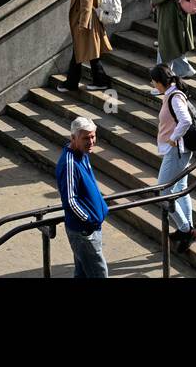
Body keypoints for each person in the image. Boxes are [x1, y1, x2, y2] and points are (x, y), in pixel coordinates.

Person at [150, 64, 196, 252]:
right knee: (180, 187)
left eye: (153, 81)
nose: (153, 84)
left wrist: (173, 138)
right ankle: (188, 228)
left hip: (177, 151)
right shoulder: (172, 93)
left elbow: (186, 120)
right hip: (180, 150)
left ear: (159, 82)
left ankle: (185, 229)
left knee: (163, 191)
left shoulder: (174, 96)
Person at [56, 116, 109, 277]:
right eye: (86, 138)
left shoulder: (83, 154)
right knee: (99, 273)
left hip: (89, 227)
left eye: (93, 136)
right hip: (85, 231)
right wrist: (89, 220)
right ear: (73, 138)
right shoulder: (70, 163)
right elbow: (71, 201)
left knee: (83, 273)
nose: (91, 141)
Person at [57, 0, 114, 93]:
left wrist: (82, 25)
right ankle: (98, 81)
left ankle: (73, 83)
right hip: (89, 23)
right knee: (89, 54)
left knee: (80, 53)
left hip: (87, 24)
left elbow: (86, 6)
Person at [150, 0, 196, 78]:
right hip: (178, 12)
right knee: (173, 43)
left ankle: (163, 78)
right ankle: (185, 70)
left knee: (166, 46)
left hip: (170, 14)